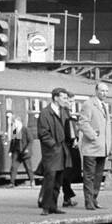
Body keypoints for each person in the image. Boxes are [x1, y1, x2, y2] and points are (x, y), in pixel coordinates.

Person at [36, 87, 72, 216]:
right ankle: (46, 207)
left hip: (62, 150)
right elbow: (43, 133)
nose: (65, 100)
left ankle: (53, 206)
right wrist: (53, 145)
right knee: (49, 180)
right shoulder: (45, 113)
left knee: (58, 181)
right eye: (63, 97)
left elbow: (69, 128)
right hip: (51, 152)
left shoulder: (64, 111)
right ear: (56, 98)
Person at [77, 81, 111, 210]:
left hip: (102, 148)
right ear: (96, 91)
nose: (104, 93)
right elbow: (82, 123)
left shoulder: (105, 106)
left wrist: (108, 145)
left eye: (106, 91)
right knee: (89, 176)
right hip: (91, 148)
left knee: (98, 176)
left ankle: (94, 199)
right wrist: (93, 136)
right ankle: (88, 202)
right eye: (102, 91)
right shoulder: (89, 104)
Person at [60, 100, 81, 207]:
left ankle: (67, 198)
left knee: (64, 175)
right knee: (65, 175)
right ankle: (67, 197)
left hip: (64, 148)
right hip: (68, 150)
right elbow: (72, 135)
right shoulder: (68, 118)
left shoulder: (65, 115)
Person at [8, 113, 33, 186]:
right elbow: (13, 141)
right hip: (16, 151)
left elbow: (31, 140)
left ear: (19, 122)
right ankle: (12, 183)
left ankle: (32, 181)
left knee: (28, 167)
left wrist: (27, 149)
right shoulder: (15, 131)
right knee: (13, 167)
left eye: (15, 122)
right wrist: (10, 151)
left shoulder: (25, 129)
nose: (14, 124)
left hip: (24, 152)